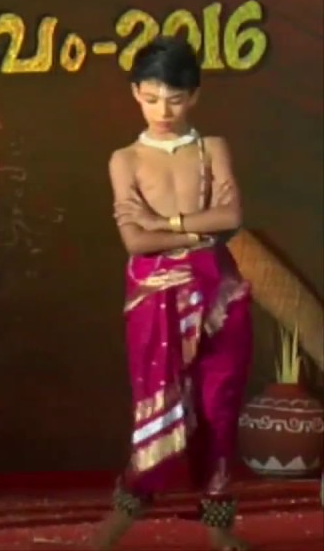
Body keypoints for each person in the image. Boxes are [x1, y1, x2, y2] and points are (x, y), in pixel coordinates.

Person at [93, 36, 251, 551]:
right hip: (153, 297)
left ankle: (217, 524)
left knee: (219, 406)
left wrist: (170, 224)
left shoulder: (213, 148)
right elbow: (135, 240)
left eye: (176, 98)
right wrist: (194, 233)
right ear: (135, 93)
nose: (164, 110)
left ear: (195, 97)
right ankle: (122, 516)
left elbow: (231, 218)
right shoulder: (125, 160)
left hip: (219, 295)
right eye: (152, 97)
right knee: (157, 408)